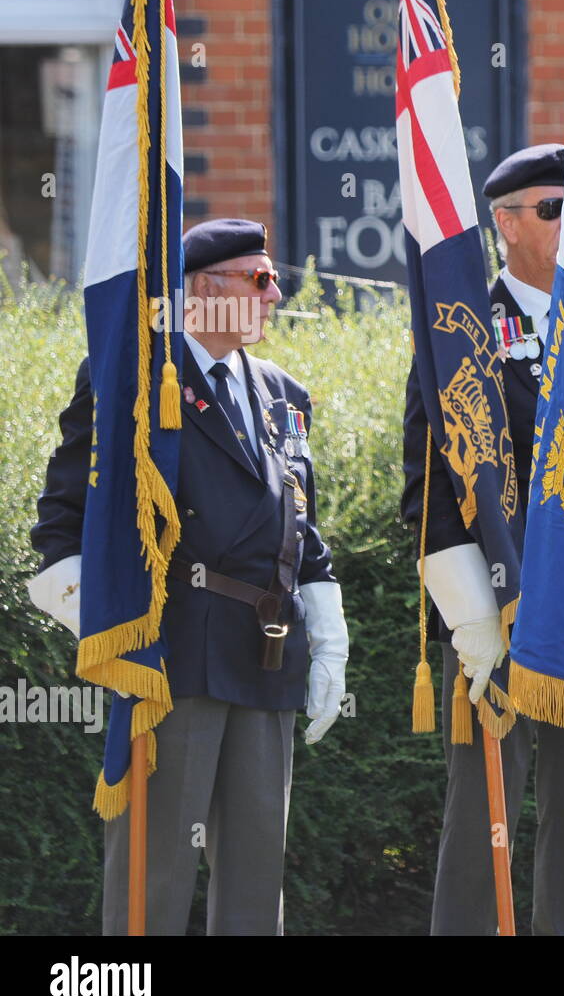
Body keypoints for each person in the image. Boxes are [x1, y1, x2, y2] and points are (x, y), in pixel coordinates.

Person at [28, 218, 349, 935]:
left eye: (275, 279)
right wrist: (112, 633)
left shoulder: (281, 392)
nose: (276, 294)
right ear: (205, 289)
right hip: (172, 658)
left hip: (265, 656)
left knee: (255, 880)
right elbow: (59, 527)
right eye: (260, 279)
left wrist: (327, 634)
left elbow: (302, 529)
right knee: (157, 875)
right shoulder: (136, 380)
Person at [401, 143, 564, 935]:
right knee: (482, 818)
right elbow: (428, 487)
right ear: (505, 223)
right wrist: (473, 619)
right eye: (554, 208)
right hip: (498, 607)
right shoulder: (461, 329)